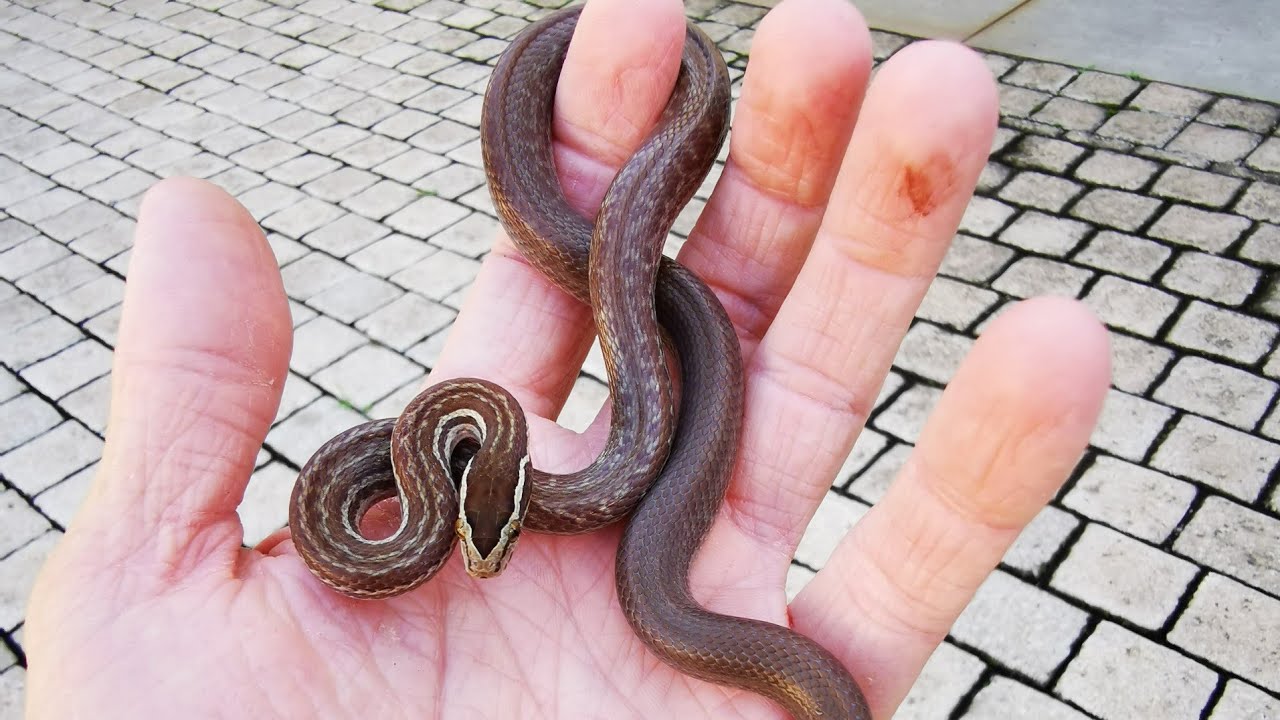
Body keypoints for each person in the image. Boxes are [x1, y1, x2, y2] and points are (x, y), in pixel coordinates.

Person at [22, 0, 1109, 717]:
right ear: (468, 487)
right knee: (659, 310)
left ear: (478, 490)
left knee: (670, 307)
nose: (485, 557)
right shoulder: (432, 477)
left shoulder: (479, 458)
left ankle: (682, 89)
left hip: (557, 425)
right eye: (483, 538)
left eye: (487, 538)